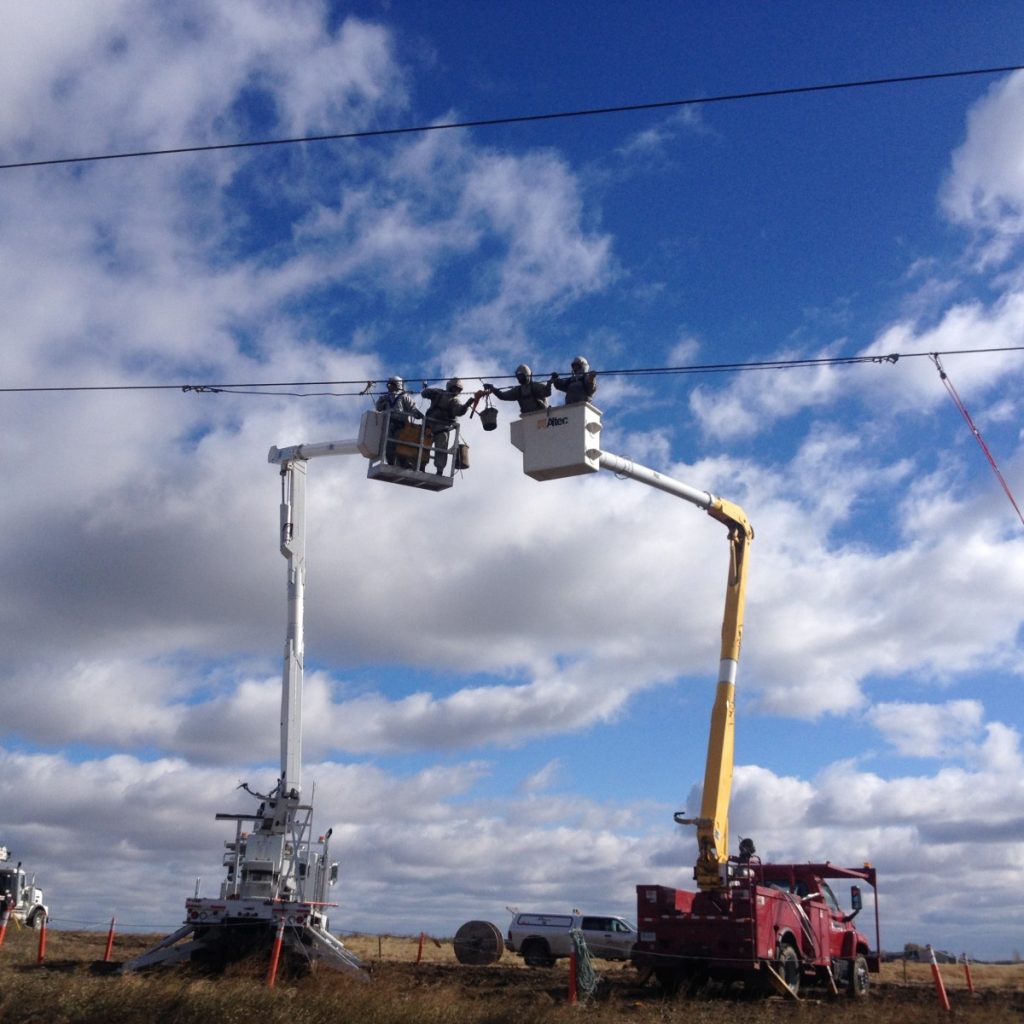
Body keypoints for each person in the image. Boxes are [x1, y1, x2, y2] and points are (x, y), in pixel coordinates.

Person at [420, 377, 473, 474]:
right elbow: (424, 394)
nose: (456, 390)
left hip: (442, 428)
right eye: (455, 388)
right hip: (430, 426)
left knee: (441, 449)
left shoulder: (455, 401)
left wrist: (466, 406)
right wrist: (429, 392)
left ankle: (439, 470)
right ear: (450, 387)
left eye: (458, 389)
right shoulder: (438, 393)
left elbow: (458, 411)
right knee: (424, 446)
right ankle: (421, 465)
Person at [375, 376, 424, 467]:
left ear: (397, 385)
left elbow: (412, 407)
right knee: (389, 445)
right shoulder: (386, 397)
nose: (390, 387)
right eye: (389, 385)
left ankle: (403, 462)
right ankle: (391, 462)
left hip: (401, 425)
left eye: (392, 384)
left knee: (401, 444)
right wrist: (381, 401)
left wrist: (417, 414)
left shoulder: (404, 396)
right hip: (389, 424)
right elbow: (378, 408)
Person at [483, 364, 552, 414]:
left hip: (542, 415)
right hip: (527, 419)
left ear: (528, 375)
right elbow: (503, 396)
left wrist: (551, 382)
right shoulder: (518, 390)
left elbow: (547, 392)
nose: (519, 378)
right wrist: (493, 389)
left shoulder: (536, 386)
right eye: (518, 377)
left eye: (521, 376)